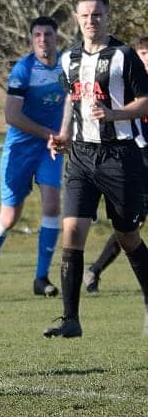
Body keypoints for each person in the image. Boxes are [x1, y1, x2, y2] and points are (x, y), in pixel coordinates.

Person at [43, 0, 148, 338]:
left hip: (120, 157)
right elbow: (71, 103)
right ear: (77, 19)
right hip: (82, 158)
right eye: (86, 15)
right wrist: (62, 136)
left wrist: (116, 113)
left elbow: (145, 102)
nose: (92, 21)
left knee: (127, 236)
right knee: (71, 232)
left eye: (98, 15)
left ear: (107, 16)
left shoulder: (124, 56)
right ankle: (70, 319)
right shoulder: (68, 59)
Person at [0, 17, 65, 298]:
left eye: (47, 34)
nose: (42, 40)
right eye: (37, 35)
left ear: (56, 37)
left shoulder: (67, 67)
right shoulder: (23, 70)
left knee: (52, 205)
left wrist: (62, 134)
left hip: (50, 148)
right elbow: (12, 116)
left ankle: (41, 278)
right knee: (10, 216)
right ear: (31, 39)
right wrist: (48, 133)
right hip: (21, 150)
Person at [80, 34, 148, 293]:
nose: (147, 60)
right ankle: (94, 269)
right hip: (134, 157)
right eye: (143, 55)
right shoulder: (127, 86)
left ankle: (95, 269)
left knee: (132, 224)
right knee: (131, 223)